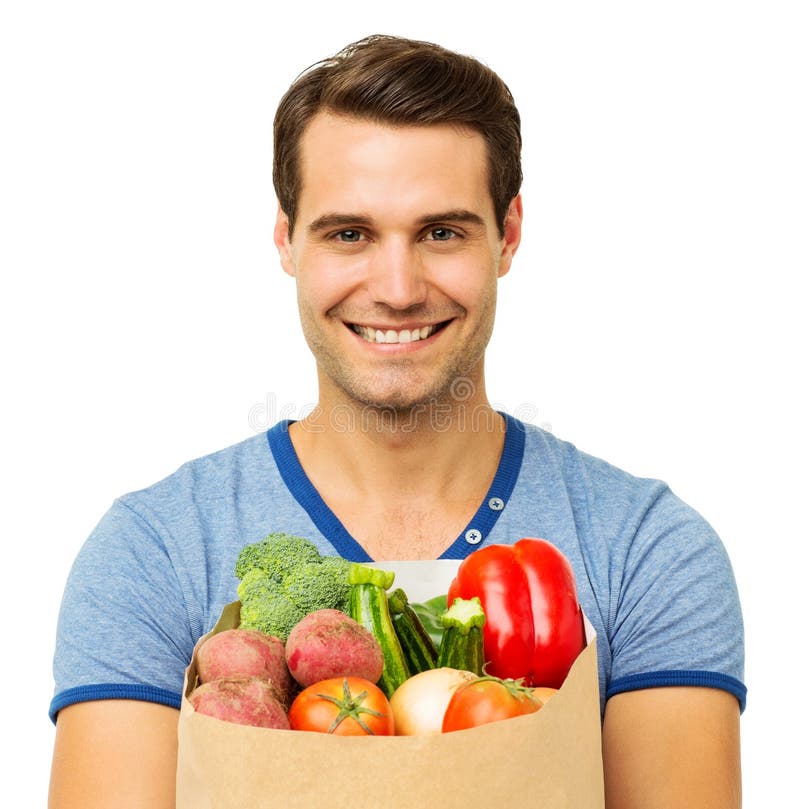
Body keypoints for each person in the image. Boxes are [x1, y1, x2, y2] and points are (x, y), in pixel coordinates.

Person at [48, 34, 745, 808]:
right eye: (349, 233)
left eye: (442, 232)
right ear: (286, 239)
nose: (399, 287)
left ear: (508, 233)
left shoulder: (646, 550)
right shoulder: (155, 552)